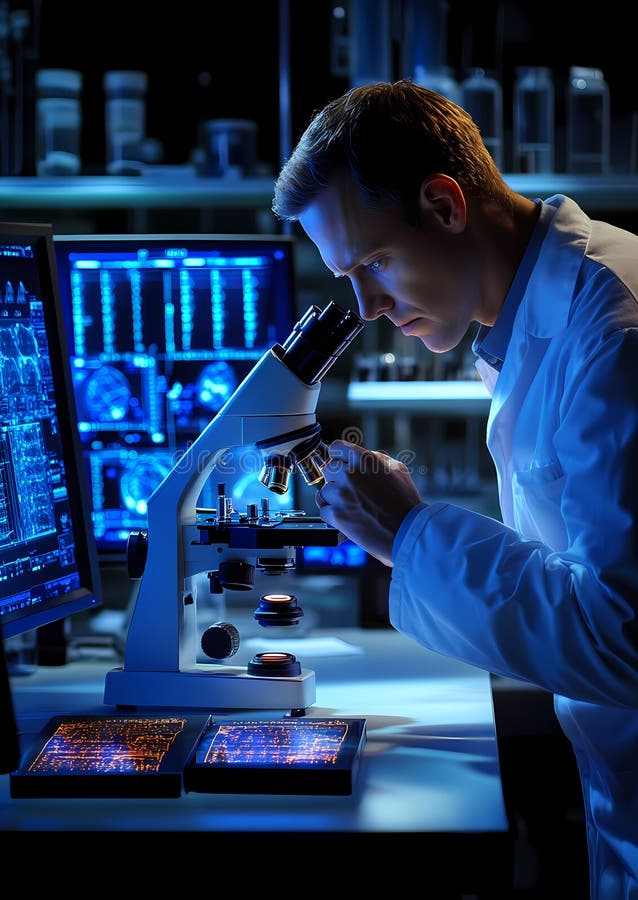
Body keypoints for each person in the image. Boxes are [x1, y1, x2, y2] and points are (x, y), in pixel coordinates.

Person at [272, 79, 638, 899]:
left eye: (371, 263)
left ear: (444, 205)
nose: (362, 307)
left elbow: (626, 636)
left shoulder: (615, 333)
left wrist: (411, 535)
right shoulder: (529, 321)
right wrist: (406, 540)